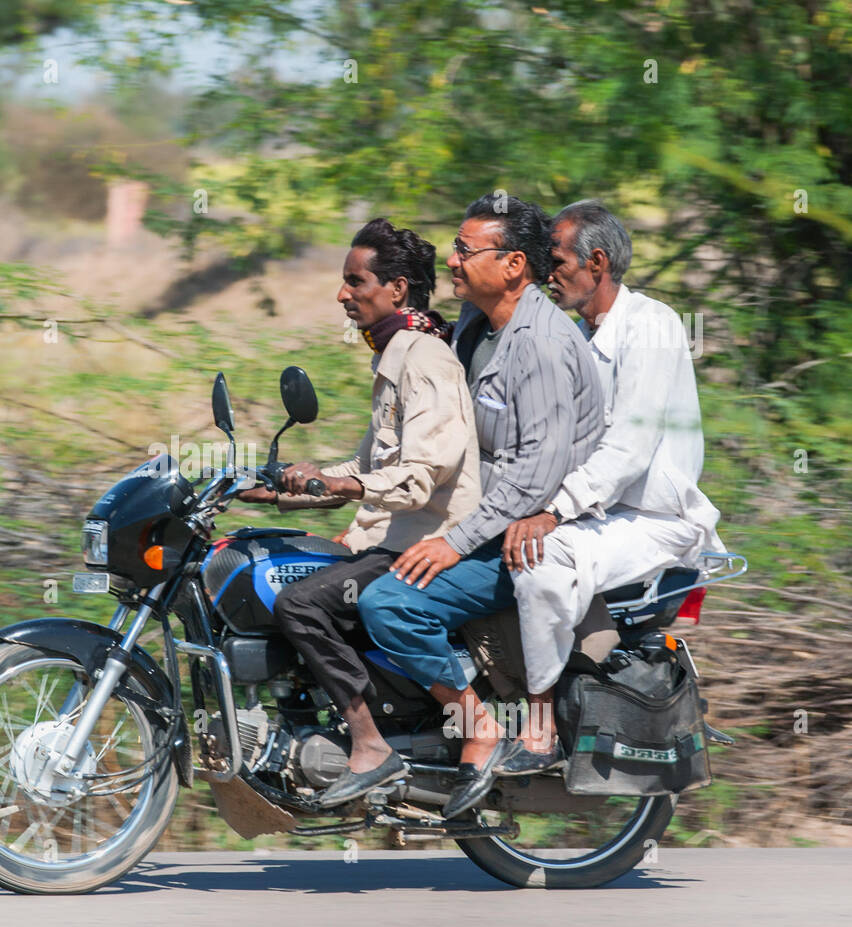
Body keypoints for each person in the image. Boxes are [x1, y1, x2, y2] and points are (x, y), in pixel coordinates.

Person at [357, 193, 605, 818]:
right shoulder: (475, 325)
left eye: (467, 251)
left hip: (525, 536)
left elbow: (535, 476)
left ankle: (477, 728)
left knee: (388, 601)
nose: (455, 262)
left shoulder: (542, 346)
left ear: (514, 264)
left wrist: (455, 542)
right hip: (477, 520)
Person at [238, 217, 481, 807]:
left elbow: (420, 478)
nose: (342, 294)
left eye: (355, 281)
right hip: (395, 536)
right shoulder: (395, 355)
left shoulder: (423, 358)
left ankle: (372, 745)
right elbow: (366, 466)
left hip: (432, 542)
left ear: (397, 288)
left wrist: (337, 485)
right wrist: (275, 488)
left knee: (298, 602)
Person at [496, 200, 726, 773]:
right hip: (602, 514)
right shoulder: (578, 335)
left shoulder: (649, 325)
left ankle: (540, 727)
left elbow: (628, 448)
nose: (548, 274)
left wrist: (551, 513)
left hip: (654, 519)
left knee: (538, 556)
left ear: (596, 262)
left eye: (557, 261)